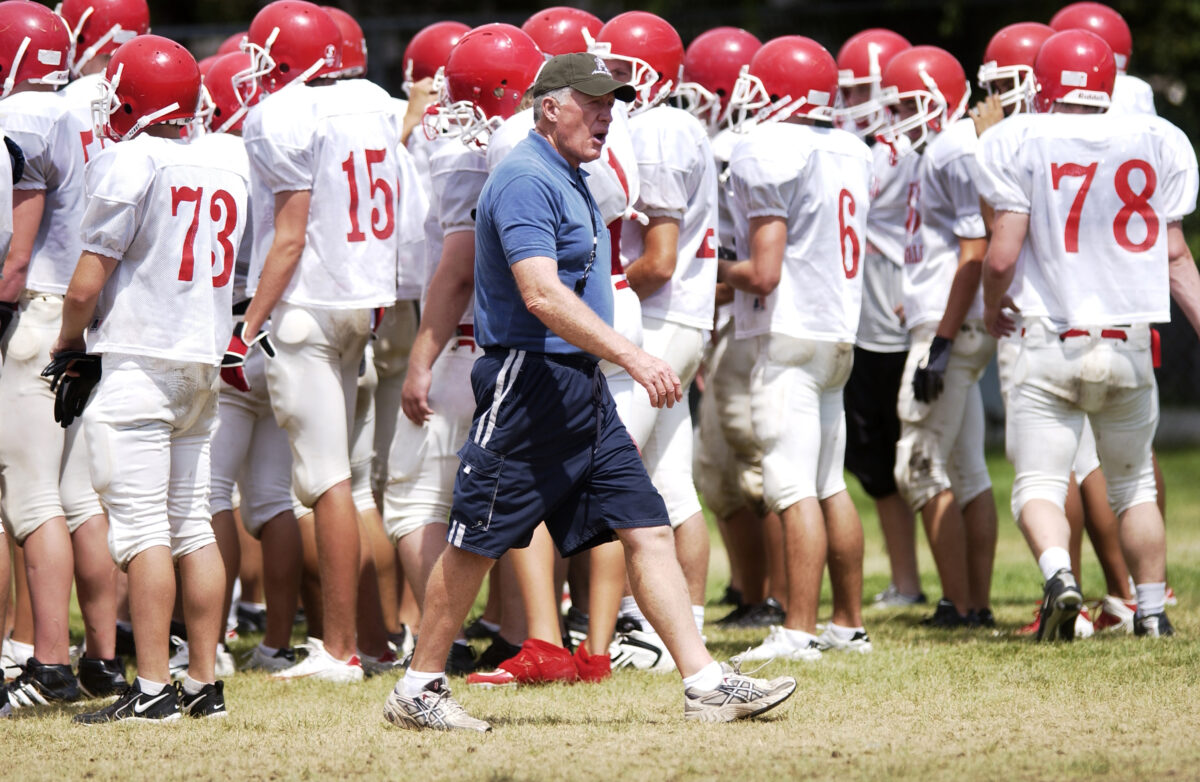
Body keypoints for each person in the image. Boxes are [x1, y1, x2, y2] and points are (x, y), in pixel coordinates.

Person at [383, 52, 796, 731]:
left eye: (612, 104)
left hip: (580, 383)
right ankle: (419, 686)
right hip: (528, 382)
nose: (607, 116)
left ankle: (704, 684)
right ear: (550, 108)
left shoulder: (573, 175)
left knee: (648, 527)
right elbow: (540, 294)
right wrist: (632, 354)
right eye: (593, 103)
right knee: (477, 539)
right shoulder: (525, 178)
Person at [978, 29, 1200, 640]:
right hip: (1128, 340)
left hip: (1049, 338)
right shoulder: (1158, 140)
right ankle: (1150, 610)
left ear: (1043, 84)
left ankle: (1060, 576)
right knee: (1134, 487)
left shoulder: (1017, 139)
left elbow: (1002, 256)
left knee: (1038, 485)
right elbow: (1176, 257)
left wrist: (993, 306)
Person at [235, 0, 424, 681]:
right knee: (351, 482)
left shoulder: (282, 113)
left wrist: (246, 326)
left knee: (326, 481)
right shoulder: (372, 101)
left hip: (306, 307)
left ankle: (337, 648)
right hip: (360, 304)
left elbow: (289, 236)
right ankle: (370, 641)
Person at [61, 34, 247, 723]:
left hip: (139, 359)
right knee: (192, 523)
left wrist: (67, 343)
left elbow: (86, 285)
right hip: (200, 359)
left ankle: (151, 690)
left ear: (133, 97)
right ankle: (202, 683)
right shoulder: (226, 158)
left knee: (142, 529)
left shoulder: (130, 159)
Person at [719, 37, 874, 662]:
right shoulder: (851, 148)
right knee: (829, 482)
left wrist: (709, 271)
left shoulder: (770, 147)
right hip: (838, 332)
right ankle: (847, 624)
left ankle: (798, 630)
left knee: (790, 484)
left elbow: (763, 272)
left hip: (790, 333)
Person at [0, 0, 124, 710]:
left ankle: (47, 665)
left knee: (31, 496)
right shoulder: (87, 105)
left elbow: (16, 253)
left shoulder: (23, 115)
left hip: (40, 309)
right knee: (79, 496)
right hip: (85, 315)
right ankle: (101, 659)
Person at [877, 46, 998, 627]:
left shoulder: (953, 147)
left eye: (908, 104)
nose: (899, 117)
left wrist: (941, 341)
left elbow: (975, 253)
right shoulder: (943, 148)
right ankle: (976, 604)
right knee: (967, 468)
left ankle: (958, 604)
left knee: (919, 466)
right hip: (951, 320)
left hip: (951, 328)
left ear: (939, 99)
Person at [834, 28, 925, 609]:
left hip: (886, 316)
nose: (850, 103)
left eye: (860, 91)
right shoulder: (912, 145)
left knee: (898, 457)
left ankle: (920, 583)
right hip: (888, 310)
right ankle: (909, 581)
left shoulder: (886, 151)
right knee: (882, 462)